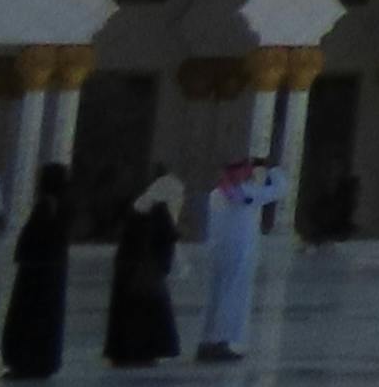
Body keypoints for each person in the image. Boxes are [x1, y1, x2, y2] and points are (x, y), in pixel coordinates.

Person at [193, 157, 275, 365]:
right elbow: (278, 189)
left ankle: (210, 341)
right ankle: (220, 341)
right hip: (235, 255)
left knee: (218, 298)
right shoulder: (243, 194)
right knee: (229, 299)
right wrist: (272, 171)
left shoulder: (218, 194)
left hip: (222, 254)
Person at [0, 167, 74, 379]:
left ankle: (27, 360)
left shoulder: (48, 205)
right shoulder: (62, 205)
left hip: (36, 274)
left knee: (30, 317)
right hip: (50, 272)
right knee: (44, 317)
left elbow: (36, 237)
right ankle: (39, 360)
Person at [102, 168, 181, 368]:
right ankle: (142, 351)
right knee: (144, 314)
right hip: (144, 270)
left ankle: (123, 352)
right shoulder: (159, 208)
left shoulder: (140, 204)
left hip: (127, 267)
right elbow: (167, 237)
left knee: (125, 313)